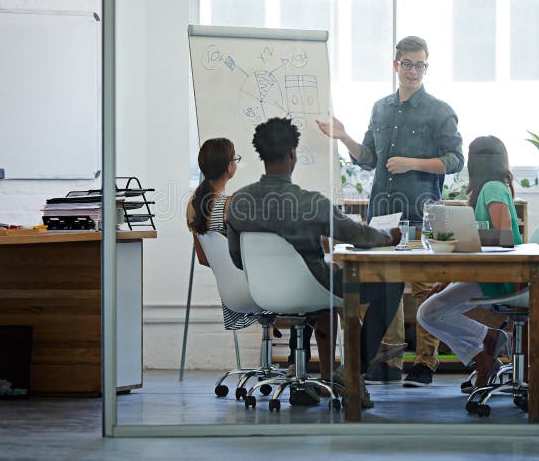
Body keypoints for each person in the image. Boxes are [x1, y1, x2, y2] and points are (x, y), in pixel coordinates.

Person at [316, 35, 464, 387]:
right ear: (396, 65)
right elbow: (368, 158)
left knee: (425, 287)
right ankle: (390, 361)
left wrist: (414, 163)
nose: (413, 71)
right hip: (382, 214)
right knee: (386, 288)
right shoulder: (380, 108)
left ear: (426, 67)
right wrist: (344, 136)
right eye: (408, 63)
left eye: (420, 65)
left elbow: (456, 161)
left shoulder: (439, 111)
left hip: (420, 211)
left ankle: (425, 364)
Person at [227, 117, 404, 408]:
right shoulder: (310, 202)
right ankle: (353, 373)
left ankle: (302, 375)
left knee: (326, 277)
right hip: (315, 288)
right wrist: (389, 236)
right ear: (292, 154)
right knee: (392, 282)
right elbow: (360, 236)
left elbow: (238, 259)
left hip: (263, 292)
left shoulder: (238, 202)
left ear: (261, 155)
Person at [415, 135, 523, 391]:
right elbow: (477, 242)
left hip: (499, 277)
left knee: (429, 313)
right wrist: (446, 279)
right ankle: (487, 347)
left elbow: (503, 236)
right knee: (428, 312)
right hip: (487, 274)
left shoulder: (493, 188)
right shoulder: (488, 189)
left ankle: (486, 351)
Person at [186, 138, 257, 331]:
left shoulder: (192, 206)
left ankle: (296, 353)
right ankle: (299, 354)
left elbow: (203, 258)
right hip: (254, 290)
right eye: (236, 159)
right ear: (228, 167)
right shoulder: (231, 204)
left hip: (229, 294)